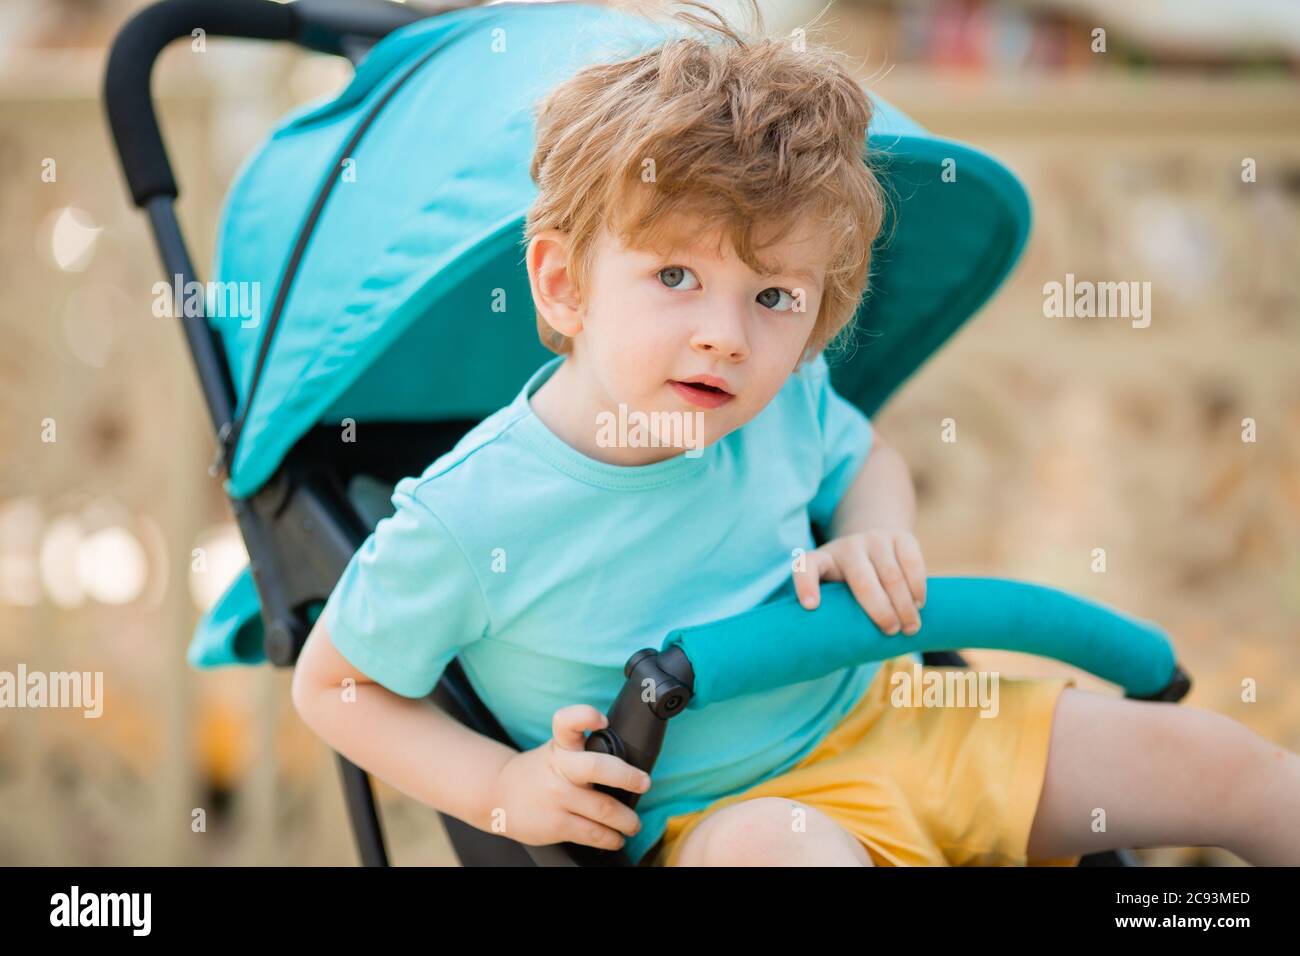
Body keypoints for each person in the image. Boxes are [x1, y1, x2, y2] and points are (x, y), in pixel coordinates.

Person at [291, 0, 1300, 866]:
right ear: (563, 283)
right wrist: (504, 785)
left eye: (772, 294)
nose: (724, 337)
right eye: (674, 276)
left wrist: (873, 525)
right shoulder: (476, 511)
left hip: (894, 720)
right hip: (723, 815)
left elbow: (866, 456)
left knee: (1236, 769)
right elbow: (335, 683)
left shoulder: (786, 402)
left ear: (819, 309)